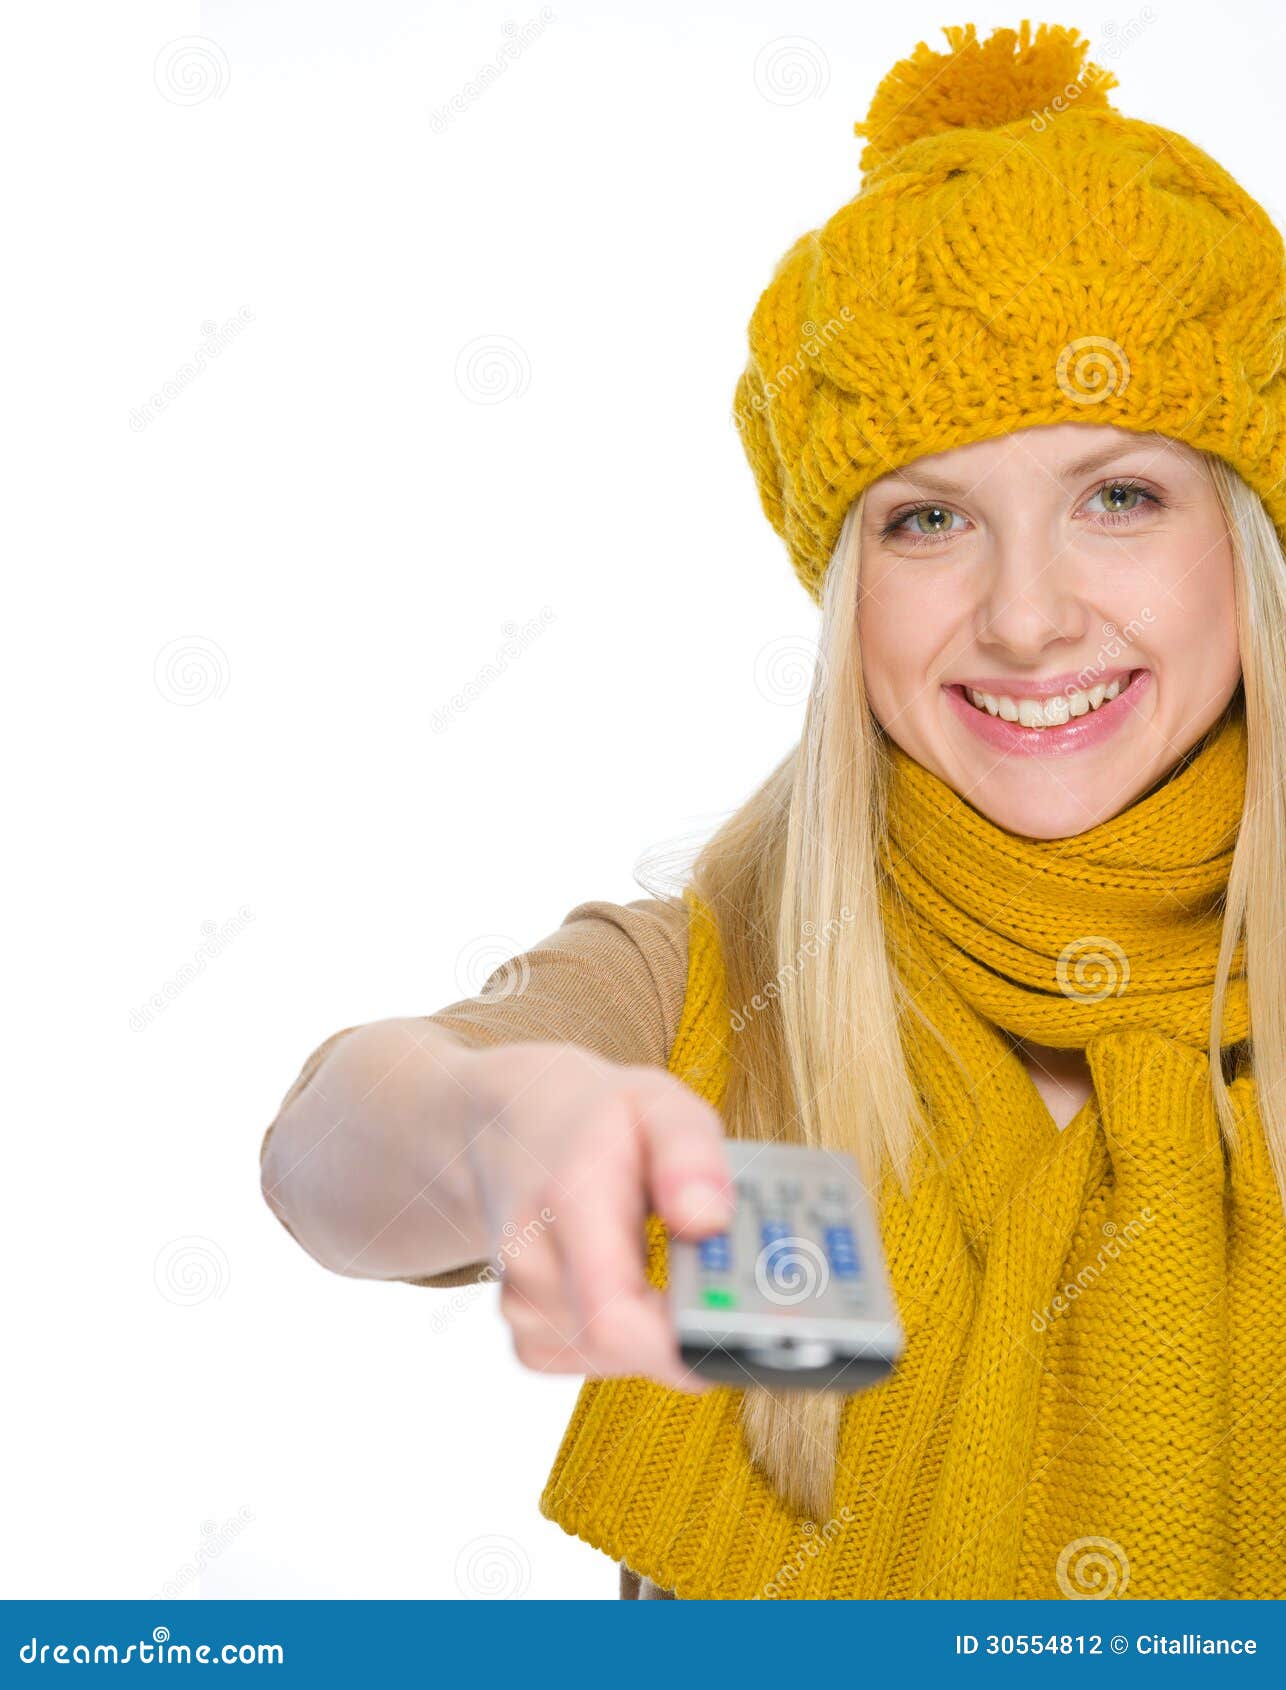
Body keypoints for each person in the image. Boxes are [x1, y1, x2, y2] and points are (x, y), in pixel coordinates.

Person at [258, 20, 1286, 1598]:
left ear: (1246, 539)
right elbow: (325, 1154)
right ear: (845, 587)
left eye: (1117, 496)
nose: (1025, 618)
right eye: (927, 520)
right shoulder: (720, 988)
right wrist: (506, 1130)